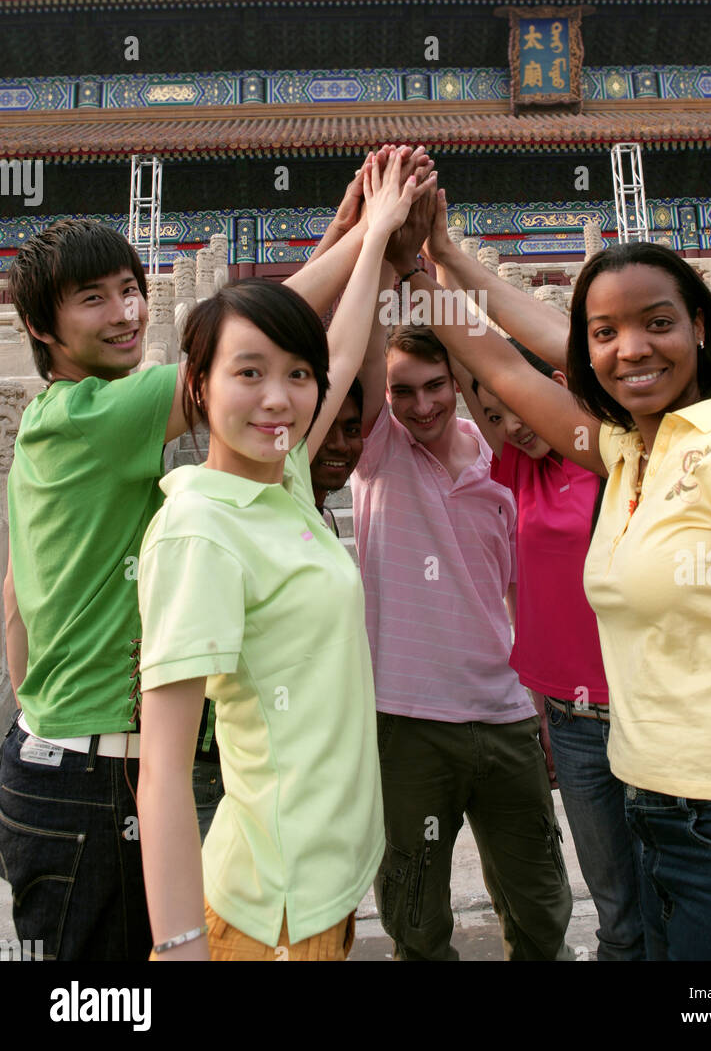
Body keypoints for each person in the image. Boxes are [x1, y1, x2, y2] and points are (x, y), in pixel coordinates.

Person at [397, 188, 711, 961]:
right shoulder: (633, 454)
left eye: (657, 324)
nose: (632, 349)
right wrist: (418, 258)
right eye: (604, 334)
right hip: (656, 817)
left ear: (699, 327)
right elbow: (505, 372)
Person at [0, 146, 426, 961]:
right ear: (40, 330)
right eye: (94, 299)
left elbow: (298, 370)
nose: (126, 313)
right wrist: (367, 234)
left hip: (72, 756)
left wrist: (349, 236)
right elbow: (256, 345)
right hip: (100, 776)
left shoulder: (77, 434)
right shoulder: (94, 417)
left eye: (131, 289)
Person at [136, 151, 430, 961]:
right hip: (264, 916)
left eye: (296, 376)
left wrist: (374, 238)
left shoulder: (285, 478)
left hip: (323, 893)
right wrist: (181, 945)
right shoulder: (201, 526)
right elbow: (162, 768)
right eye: (249, 373)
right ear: (199, 384)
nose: (280, 397)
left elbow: (338, 347)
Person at [351, 217, 574, 961]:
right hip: (407, 719)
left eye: (436, 386)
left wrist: (538, 701)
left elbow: (518, 596)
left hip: (505, 712)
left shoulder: (502, 467)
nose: (421, 407)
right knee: (416, 915)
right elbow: (351, 357)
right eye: (403, 392)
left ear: (458, 383)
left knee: (541, 904)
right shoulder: (380, 451)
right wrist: (385, 249)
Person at [446, 340, 644, 960]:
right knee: (615, 908)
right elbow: (471, 371)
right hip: (571, 718)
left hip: (646, 709)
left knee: (670, 891)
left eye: (519, 409)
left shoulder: (611, 456)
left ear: (556, 386)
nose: (510, 426)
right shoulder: (517, 467)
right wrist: (423, 279)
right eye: (494, 417)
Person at [308, 378, 364, 534]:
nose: (340, 445)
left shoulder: (325, 521)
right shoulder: (266, 525)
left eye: (352, 430)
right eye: (323, 429)